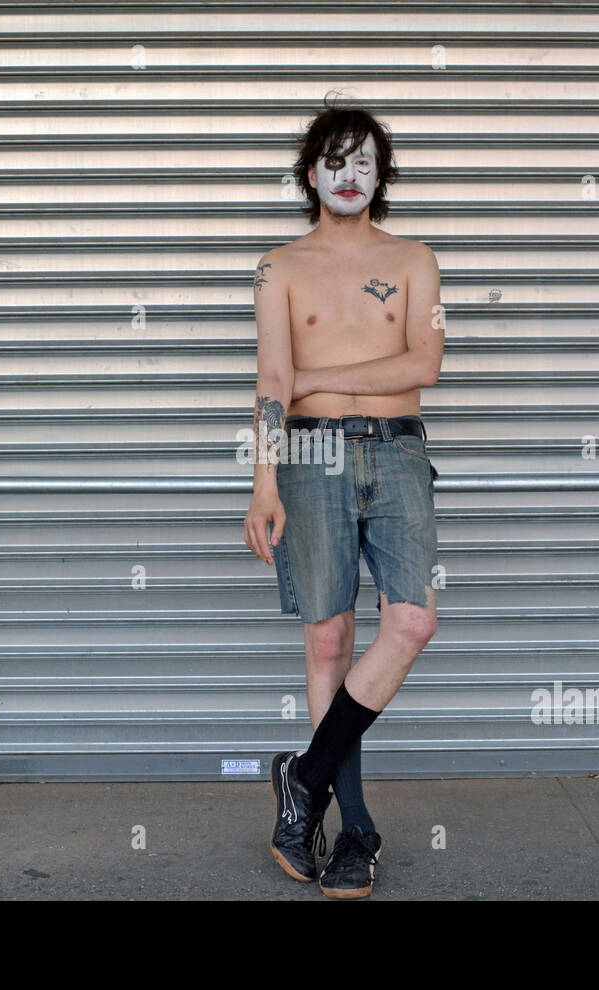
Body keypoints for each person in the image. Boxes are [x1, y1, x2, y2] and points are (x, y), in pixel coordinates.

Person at [243, 102, 444, 899]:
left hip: (397, 450)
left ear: (382, 174)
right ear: (310, 173)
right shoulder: (279, 267)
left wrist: (318, 379)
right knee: (328, 639)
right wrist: (263, 480)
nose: (349, 174)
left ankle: (304, 776)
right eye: (334, 159)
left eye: (364, 161)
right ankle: (352, 833)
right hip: (307, 454)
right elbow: (270, 379)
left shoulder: (415, 259)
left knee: (412, 620)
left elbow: (425, 364)